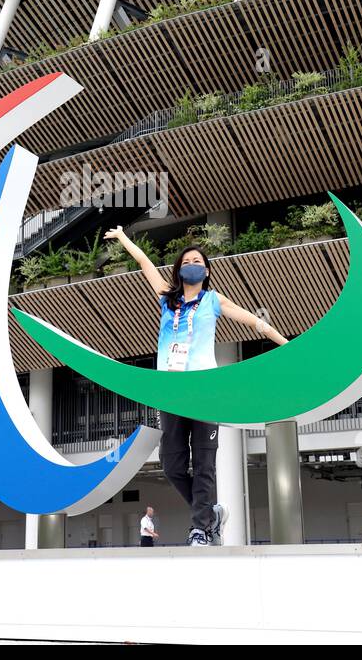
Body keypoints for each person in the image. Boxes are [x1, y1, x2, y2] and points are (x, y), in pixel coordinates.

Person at [106, 226, 288, 547]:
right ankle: (210, 516)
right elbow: (146, 264)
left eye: (197, 260)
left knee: (204, 465)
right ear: (179, 270)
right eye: (186, 260)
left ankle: (200, 530)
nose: (191, 263)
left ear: (205, 271)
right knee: (172, 464)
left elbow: (252, 320)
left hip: (206, 392)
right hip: (171, 393)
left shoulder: (213, 300)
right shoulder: (167, 299)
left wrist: (284, 343)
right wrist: (123, 238)